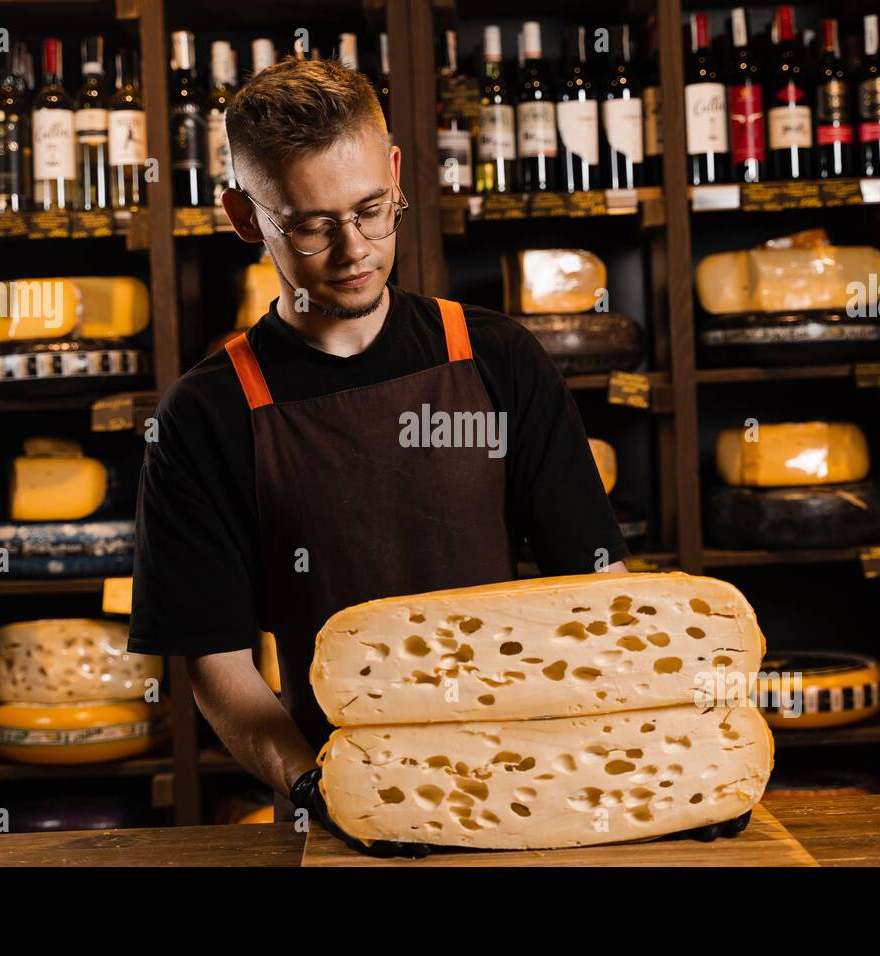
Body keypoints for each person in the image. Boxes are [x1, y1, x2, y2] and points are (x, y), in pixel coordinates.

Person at [127, 55, 628, 850]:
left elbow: (599, 595)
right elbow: (216, 662)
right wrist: (320, 787)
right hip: (342, 808)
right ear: (244, 216)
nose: (355, 248)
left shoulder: (498, 358)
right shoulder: (207, 413)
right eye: (313, 224)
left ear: (396, 175)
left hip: (531, 790)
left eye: (371, 210)